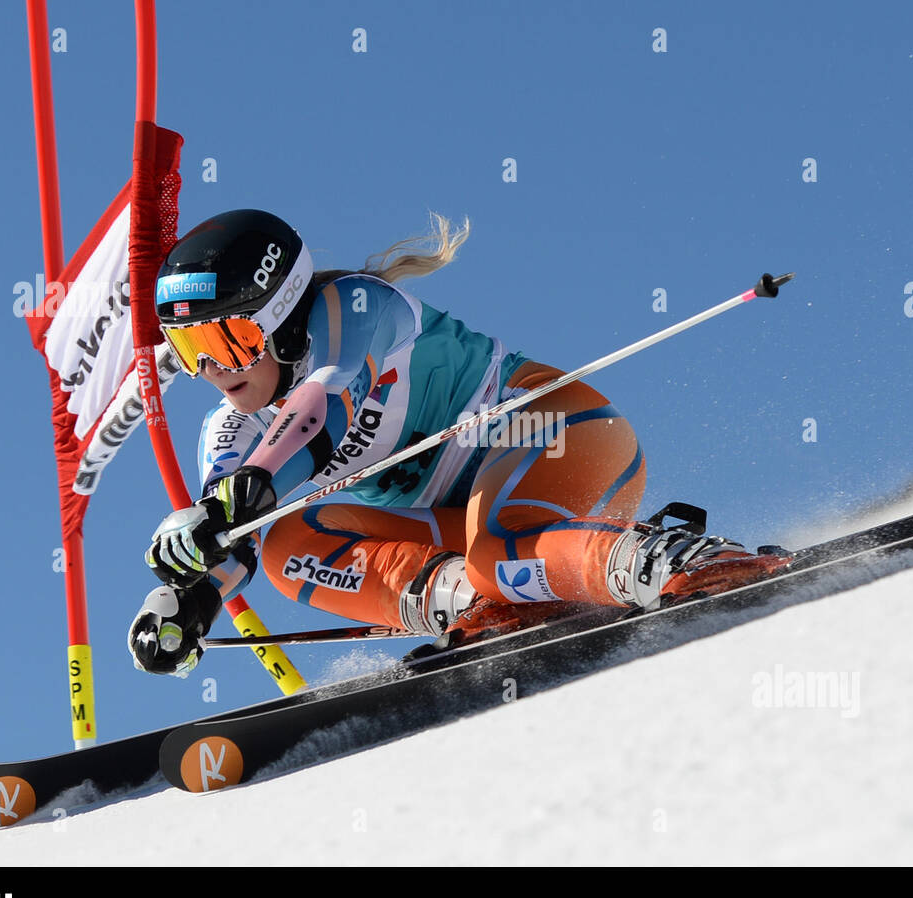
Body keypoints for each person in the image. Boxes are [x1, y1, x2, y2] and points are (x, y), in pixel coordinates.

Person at [127, 209, 789, 677]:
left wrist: (230, 501)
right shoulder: (230, 428)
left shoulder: (355, 309)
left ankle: (677, 559)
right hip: (465, 520)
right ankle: (480, 606)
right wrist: (184, 600)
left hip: (554, 435)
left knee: (497, 545)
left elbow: (321, 404)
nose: (211, 369)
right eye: (189, 350)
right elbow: (235, 532)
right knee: (287, 546)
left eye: (223, 340)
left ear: (277, 316)